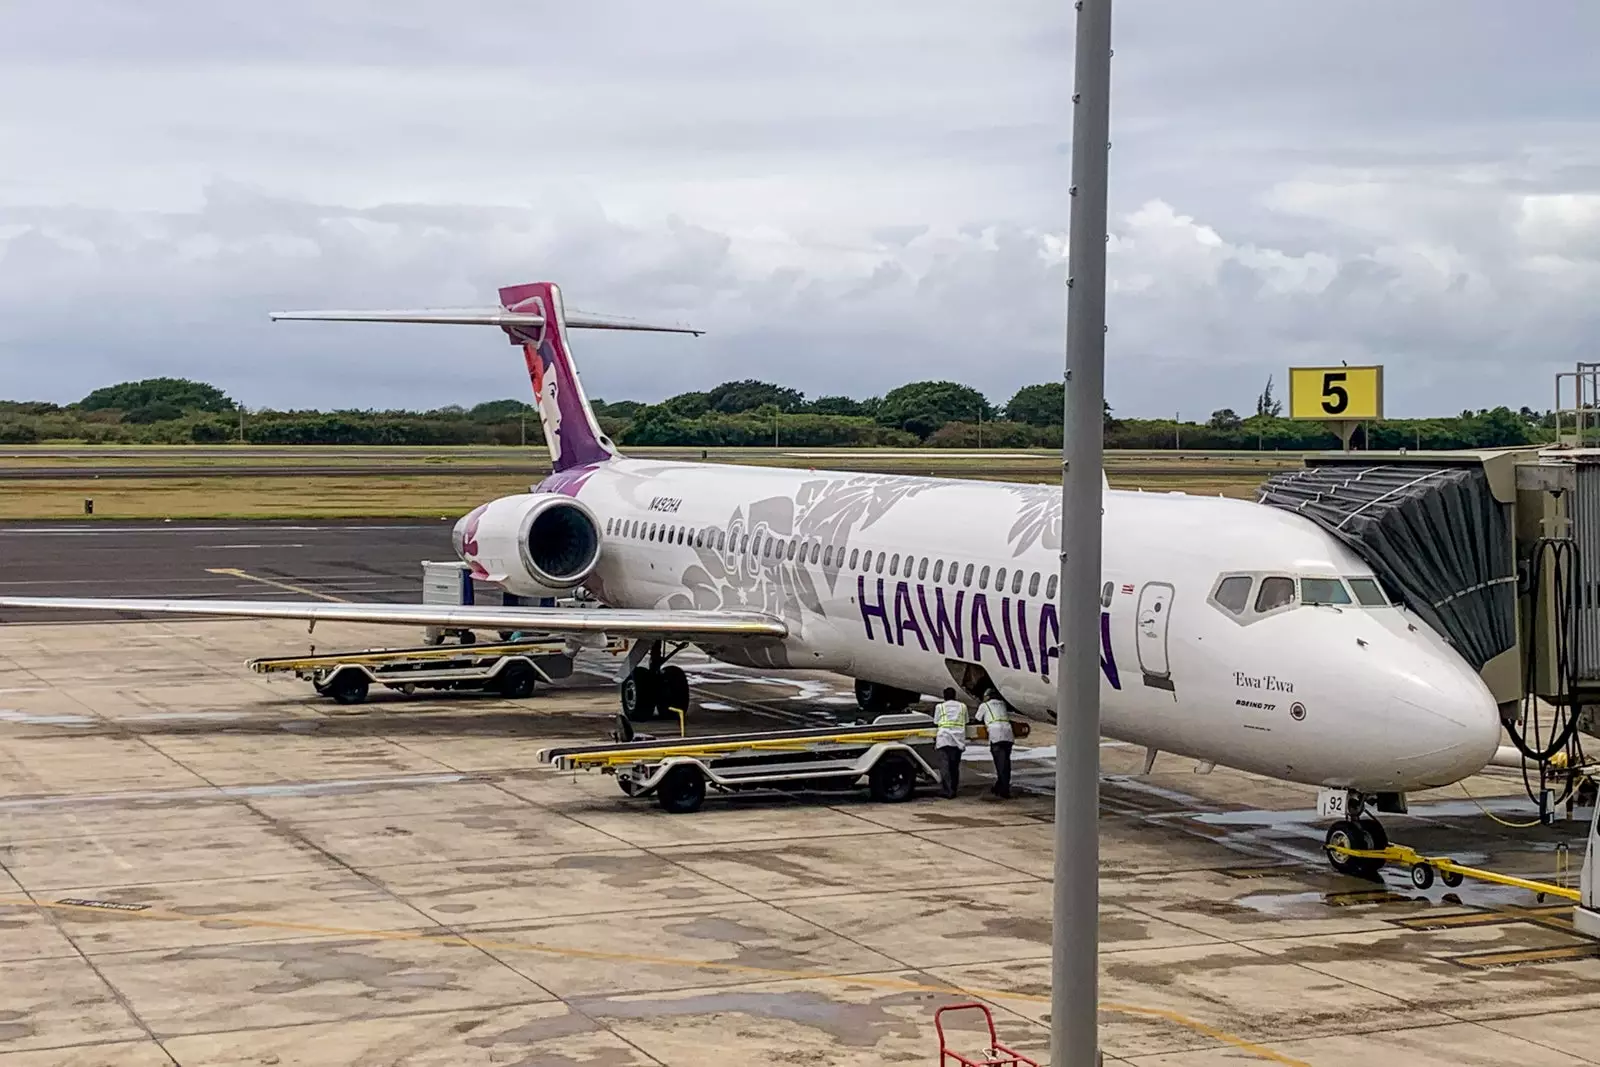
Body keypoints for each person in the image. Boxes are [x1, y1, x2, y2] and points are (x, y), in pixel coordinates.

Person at [976, 688, 1015, 799]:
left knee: (1000, 763)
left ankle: (1003, 789)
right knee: (1006, 762)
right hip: (1008, 733)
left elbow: (978, 718)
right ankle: (1002, 785)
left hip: (996, 734)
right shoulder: (1002, 703)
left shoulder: (985, 705)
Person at [932, 687, 968, 798]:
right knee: (954, 767)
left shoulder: (940, 707)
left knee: (945, 767)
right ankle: (954, 789)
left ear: (944, 696)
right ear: (955, 695)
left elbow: (936, 721)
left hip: (944, 738)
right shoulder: (963, 706)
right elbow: (966, 721)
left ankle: (947, 790)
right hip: (958, 740)